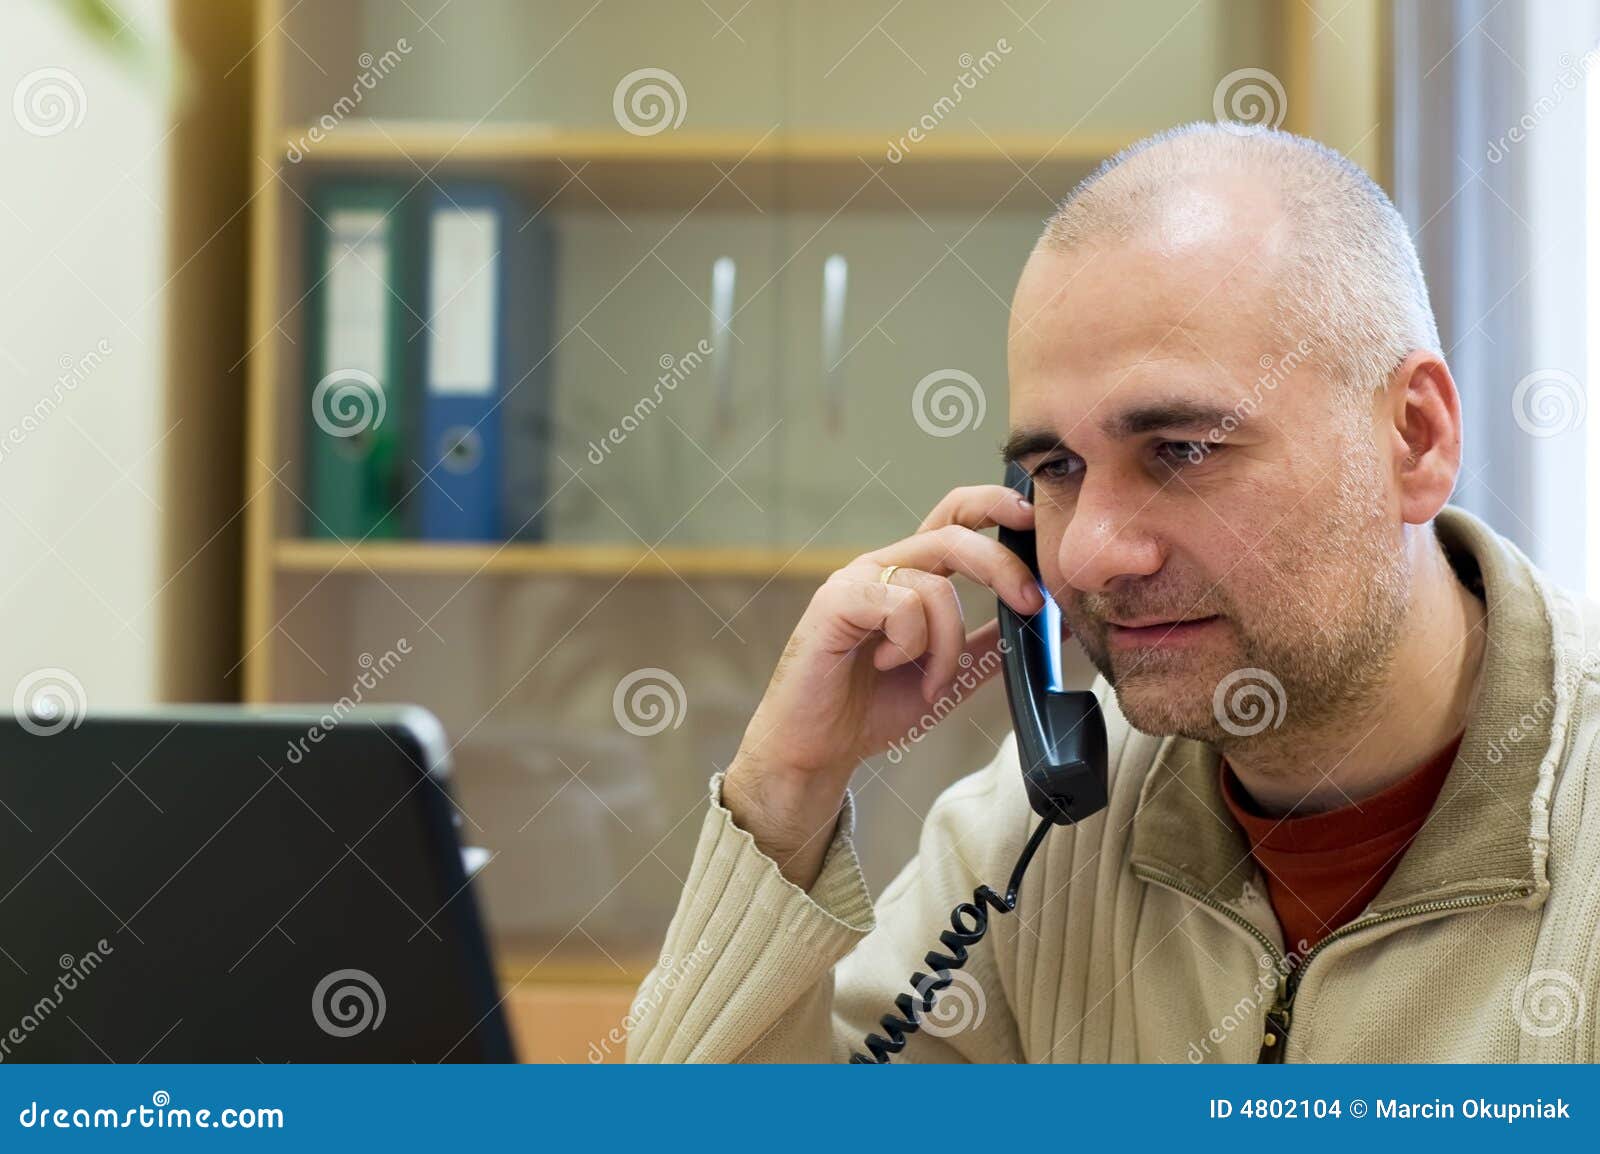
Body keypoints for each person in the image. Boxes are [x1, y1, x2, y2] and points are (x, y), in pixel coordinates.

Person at [624, 123, 1600, 1063]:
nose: (1087, 554)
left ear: (1414, 438)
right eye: (1054, 466)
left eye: (1181, 449)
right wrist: (785, 787)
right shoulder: (1039, 836)